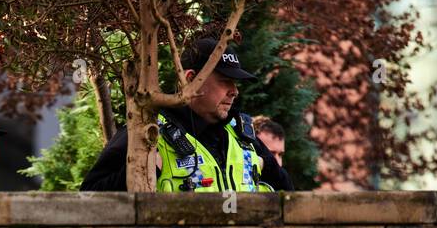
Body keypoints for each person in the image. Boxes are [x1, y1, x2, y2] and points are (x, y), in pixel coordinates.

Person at [80, 37, 293, 193]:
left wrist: (266, 167)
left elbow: (288, 196)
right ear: (190, 78)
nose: (234, 91)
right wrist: (144, 168)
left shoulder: (243, 136)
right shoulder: (148, 131)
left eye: (235, 83)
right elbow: (90, 195)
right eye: (224, 81)